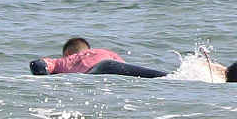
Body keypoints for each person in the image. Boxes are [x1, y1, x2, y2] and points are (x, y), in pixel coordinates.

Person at [29, 38, 168, 78]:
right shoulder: (105, 51)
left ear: (67, 54)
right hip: (112, 66)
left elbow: (38, 65)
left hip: (97, 71)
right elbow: (125, 67)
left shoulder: (62, 61)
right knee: (160, 77)